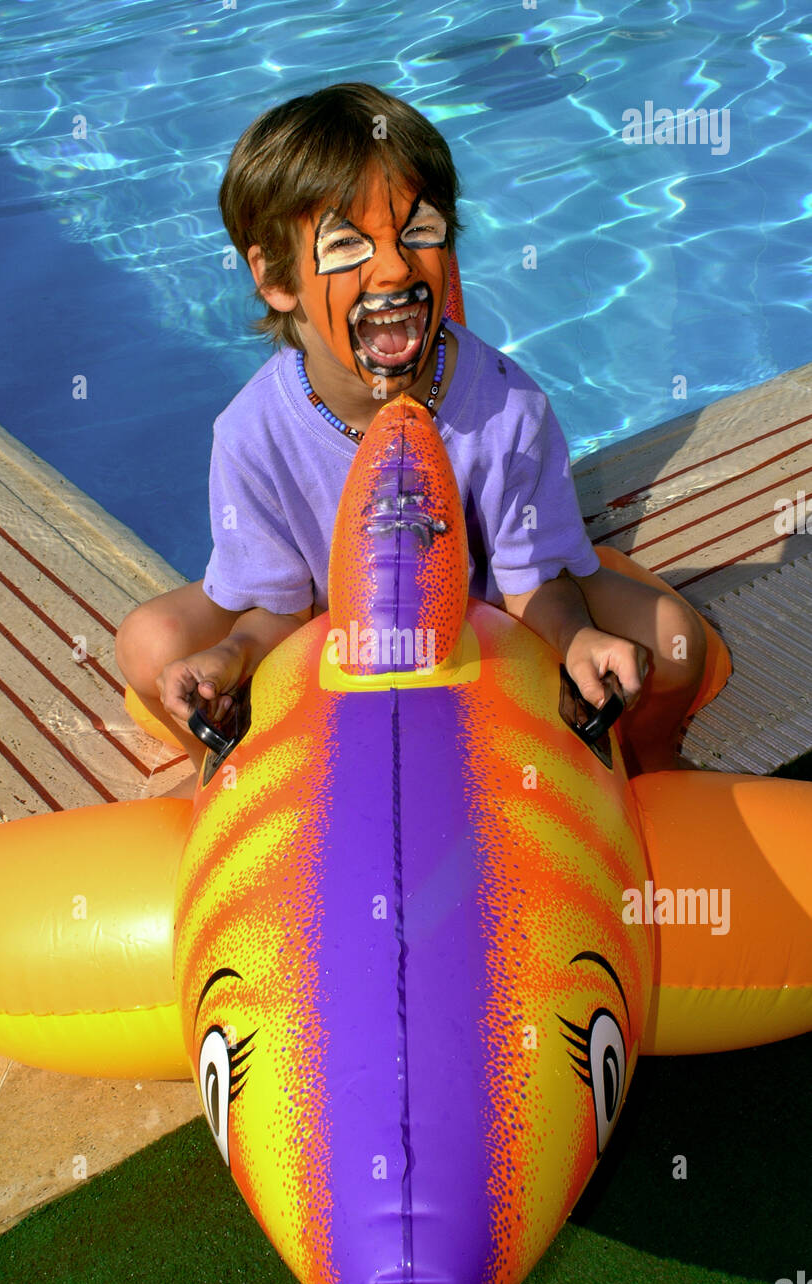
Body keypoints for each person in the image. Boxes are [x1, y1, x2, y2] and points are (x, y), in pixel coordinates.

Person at [115, 83, 707, 790]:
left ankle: (648, 771)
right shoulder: (252, 434)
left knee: (674, 639)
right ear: (274, 277)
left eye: (420, 231)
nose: (395, 267)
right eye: (346, 244)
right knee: (149, 642)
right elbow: (278, 610)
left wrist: (577, 638)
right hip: (323, 632)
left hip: (485, 620)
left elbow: (532, 584)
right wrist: (233, 656)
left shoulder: (506, 406)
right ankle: (219, 781)